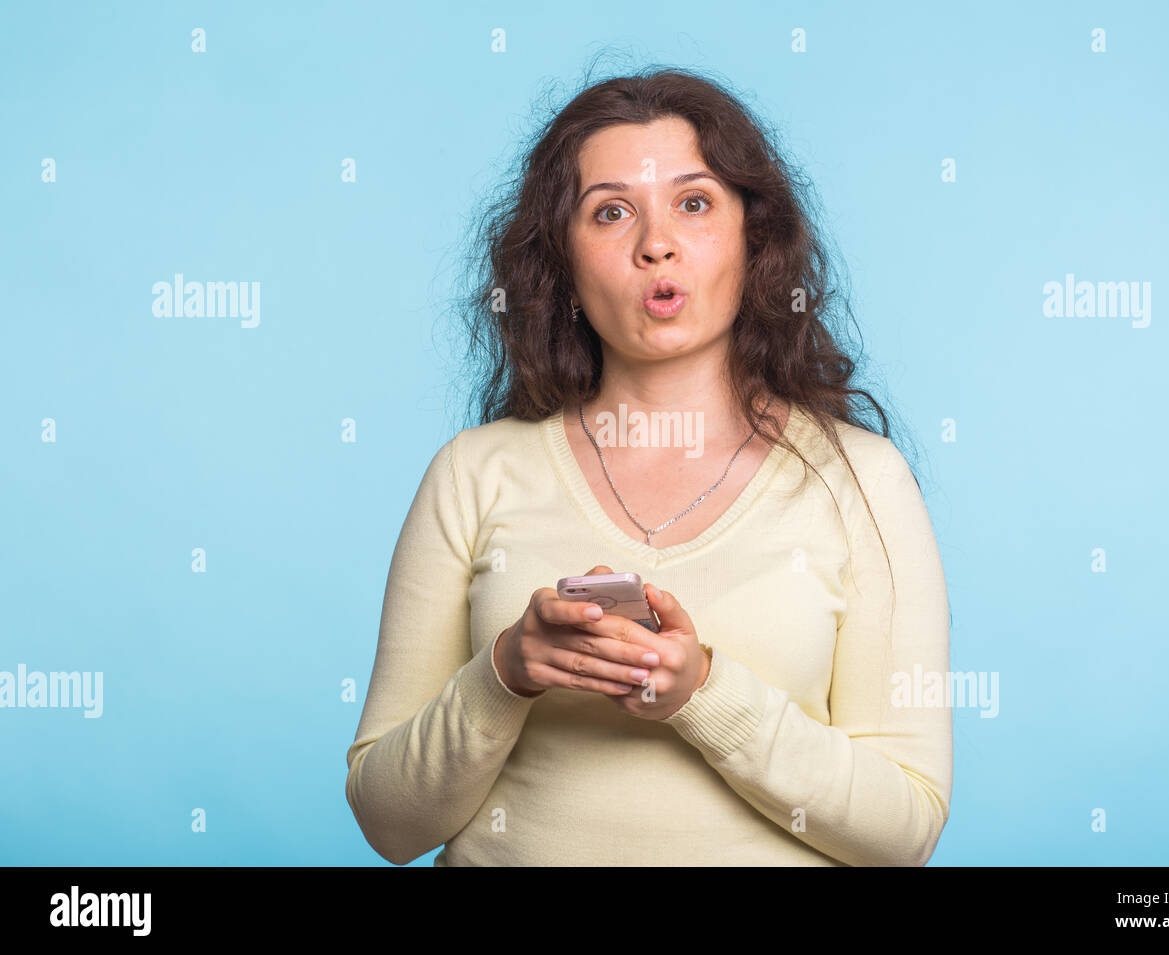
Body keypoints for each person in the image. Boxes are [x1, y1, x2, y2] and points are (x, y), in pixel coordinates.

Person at [344, 67, 952, 866]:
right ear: (562, 265)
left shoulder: (865, 484)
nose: (655, 243)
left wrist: (704, 692)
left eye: (694, 204)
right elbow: (391, 826)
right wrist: (505, 673)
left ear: (753, 239)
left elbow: (905, 829)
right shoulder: (472, 473)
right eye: (611, 212)